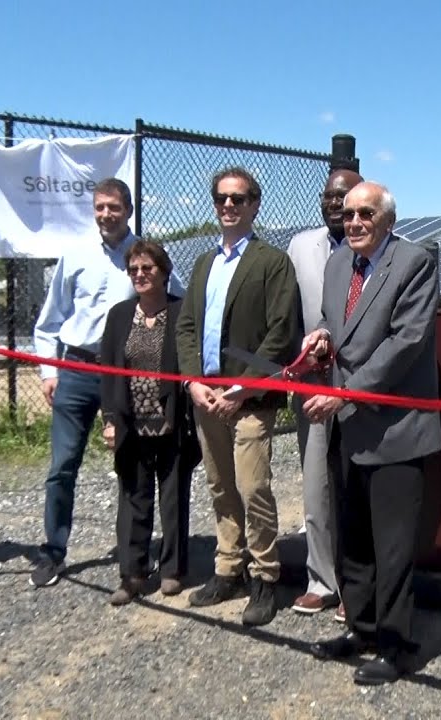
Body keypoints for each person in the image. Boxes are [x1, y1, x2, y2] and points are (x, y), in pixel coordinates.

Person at [303, 181, 441, 687]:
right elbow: (333, 318)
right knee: (354, 539)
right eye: (348, 214)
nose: (355, 222)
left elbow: (405, 343)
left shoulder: (414, 263)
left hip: (394, 430)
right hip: (348, 425)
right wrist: (322, 336)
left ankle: (396, 645)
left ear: (388, 219)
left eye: (366, 213)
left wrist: (346, 394)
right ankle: (360, 630)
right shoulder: (340, 262)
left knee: (393, 547)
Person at [30, 178, 184, 588]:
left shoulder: (145, 257)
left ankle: (139, 557)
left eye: (114, 207)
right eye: (99, 207)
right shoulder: (75, 256)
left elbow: (178, 305)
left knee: (134, 467)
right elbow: (49, 320)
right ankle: (53, 550)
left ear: (128, 210)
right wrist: (49, 371)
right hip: (77, 371)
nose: (106, 214)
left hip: (130, 377)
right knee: (63, 465)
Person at [175, 167, 301, 626]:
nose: (228, 205)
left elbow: (281, 332)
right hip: (207, 397)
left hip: (250, 399)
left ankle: (265, 576)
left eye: (238, 198)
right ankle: (228, 568)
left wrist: (241, 387)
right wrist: (193, 382)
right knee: (220, 486)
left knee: (253, 489)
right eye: (221, 198)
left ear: (254, 204)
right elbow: (186, 326)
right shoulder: (203, 265)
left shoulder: (272, 262)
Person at [99, 240, 201, 606]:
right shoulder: (119, 315)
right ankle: (132, 573)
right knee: (133, 499)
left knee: (173, 498)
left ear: (164, 271)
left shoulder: (181, 311)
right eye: (134, 270)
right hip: (132, 422)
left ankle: (172, 569)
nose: (140, 275)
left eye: (148, 268)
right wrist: (110, 419)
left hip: (173, 422)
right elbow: (109, 372)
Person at [285, 167, 364, 618]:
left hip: (360, 389)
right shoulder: (300, 247)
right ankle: (322, 579)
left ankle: (358, 585)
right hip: (313, 386)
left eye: (345, 196)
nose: (336, 204)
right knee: (316, 486)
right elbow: (288, 311)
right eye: (329, 197)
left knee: (356, 488)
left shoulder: (379, 248)